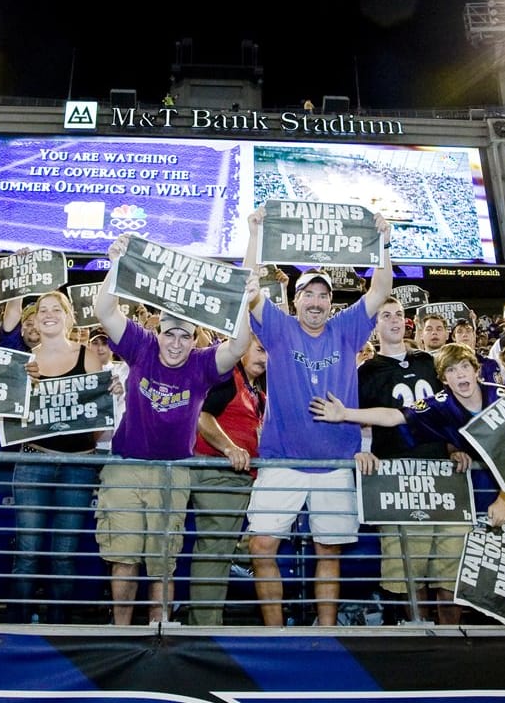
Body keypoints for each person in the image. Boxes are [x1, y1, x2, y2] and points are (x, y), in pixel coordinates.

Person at [242, 204, 392, 627]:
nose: (316, 300)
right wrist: (255, 233)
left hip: (334, 463)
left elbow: (379, 291)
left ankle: (326, 631)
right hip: (281, 461)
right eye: (308, 292)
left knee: (329, 549)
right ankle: (275, 632)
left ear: (331, 302)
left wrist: (381, 241)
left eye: (323, 294)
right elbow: (248, 287)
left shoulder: (345, 329)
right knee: (262, 545)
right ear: (295, 299)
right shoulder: (278, 327)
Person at [93, 233, 252, 624]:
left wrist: (246, 302)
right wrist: (117, 264)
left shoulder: (201, 364)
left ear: (194, 338)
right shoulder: (141, 346)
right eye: (170, 333)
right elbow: (104, 310)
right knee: (124, 558)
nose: (176, 343)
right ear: (159, 332)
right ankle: (120, 634)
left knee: (162, 564)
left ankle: (158, 631)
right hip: (127, 466)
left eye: (185, 335)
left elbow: (238, 346)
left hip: (174, 472)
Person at [312, 343, 505, 625]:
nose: (460, 375)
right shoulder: (440, 403)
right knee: (419, 566)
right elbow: (394, 416)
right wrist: (345, 414)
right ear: (442, 380)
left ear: (477, 370)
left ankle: (454, 636)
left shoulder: (502, 396)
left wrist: (504, 499)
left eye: (465, 367)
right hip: (482, 485)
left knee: (464, 567)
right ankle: (423, 633)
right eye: (452, 371)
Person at [6, 290, 105, 624]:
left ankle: (57, 629)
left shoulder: (89, 355)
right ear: (34, 319)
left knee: (64, 554)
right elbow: (10, 416)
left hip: (79, 465)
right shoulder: (22, 362)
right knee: (28, 551)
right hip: (34, 461)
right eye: (43, 310)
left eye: (56, 309)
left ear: (68, 316)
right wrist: (21, 387)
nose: (49, 314)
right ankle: (15, 629)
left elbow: (99, 415)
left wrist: (113, 394)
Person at [355, 296, 453, 622]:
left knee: (447, 565)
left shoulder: (429, 361)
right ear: (375, 324)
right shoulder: (365, 372)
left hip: (439, 469)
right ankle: (412, 635)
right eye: (386, 316)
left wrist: (456, 448)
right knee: (404, 566)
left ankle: (448, 642)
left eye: (399, 315)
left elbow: (452, 410)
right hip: (396, 472)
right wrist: (361, 449)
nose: (395, 321)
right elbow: (353, 420)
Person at [186, 335, 267, 626]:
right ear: (243, 348)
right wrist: (229, 447)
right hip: (220, 472)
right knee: (214, 551)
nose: (264, 358)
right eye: (260, 349)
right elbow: (201, 415)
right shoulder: (228, 376)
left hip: (243, 477)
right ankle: (205, 629)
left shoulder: (255, 387)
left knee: (256, 539)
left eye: (269, 352)